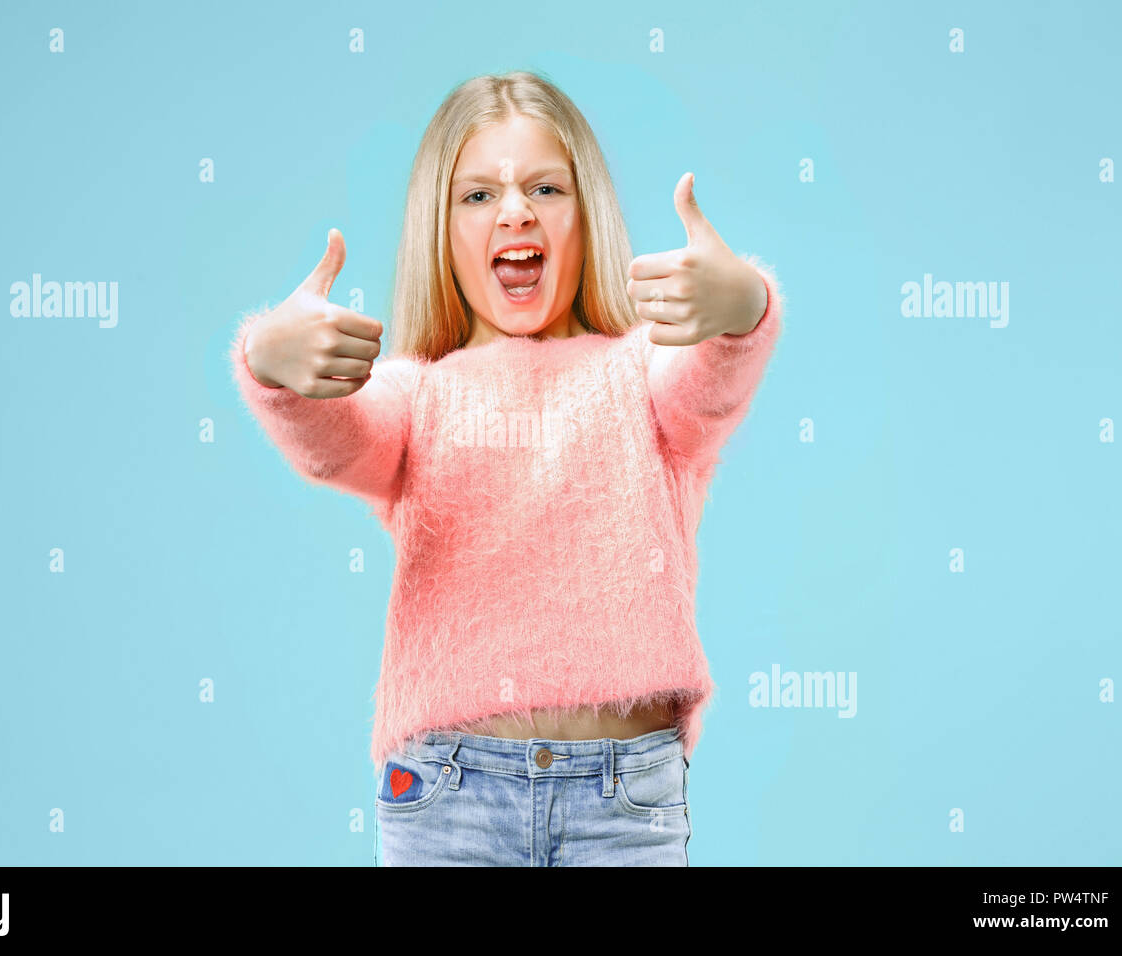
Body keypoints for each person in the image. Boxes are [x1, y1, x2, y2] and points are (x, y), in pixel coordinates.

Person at [229, 70, 784, 866]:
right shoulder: (416, 396)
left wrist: (741, 308)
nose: (516, 210)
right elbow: (335, 438)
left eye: (546, 187)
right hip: (446, 799)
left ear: (586, 213)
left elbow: (712, 382)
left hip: (624, 803)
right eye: (478, 195)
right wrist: (272, 360)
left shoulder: (644, 376)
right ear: (440, 230)